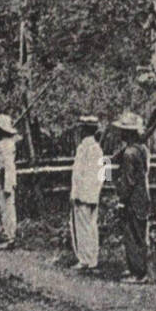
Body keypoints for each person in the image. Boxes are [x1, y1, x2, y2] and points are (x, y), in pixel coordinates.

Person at [113, 111, 149, 282]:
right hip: (142, 197)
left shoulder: (129, 154)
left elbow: (128, 181)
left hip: (133, 199)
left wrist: (121, 200)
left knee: (132, 233)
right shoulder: (140, 150)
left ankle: (138, 272)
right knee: (139, 234)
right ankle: (138, 269)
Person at [69, 114, 103, 271]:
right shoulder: (98, 149)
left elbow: (78, 174)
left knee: (83, 227)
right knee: (91, 226)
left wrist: (75, 194)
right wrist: (98, 190)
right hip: (93, 194)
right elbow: (103, 174)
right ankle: (92, 259)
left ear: (84, 130)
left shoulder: (83, 148)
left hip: (83, 194)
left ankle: (84, 259)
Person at [0, 113, 19, 248]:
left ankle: (10, 237)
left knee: (8, 208)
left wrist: (6, 185)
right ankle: (3, 235)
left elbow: (8, 166)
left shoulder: (6, 145)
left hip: (5, 180)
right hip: (0, 180)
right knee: (1, 208)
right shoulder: (0, 144)